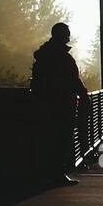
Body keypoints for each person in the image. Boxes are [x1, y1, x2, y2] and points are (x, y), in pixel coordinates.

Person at [30, 22, 87, 187]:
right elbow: (73, 79)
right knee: (62, 140)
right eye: (67, 33)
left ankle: (47, 174)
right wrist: (83, 94)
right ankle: (59, 174)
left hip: (45, 104)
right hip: (63, 105)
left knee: (48, 139)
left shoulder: (43, 56)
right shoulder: (63, 57)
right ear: (62, 35)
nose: (69, 37)